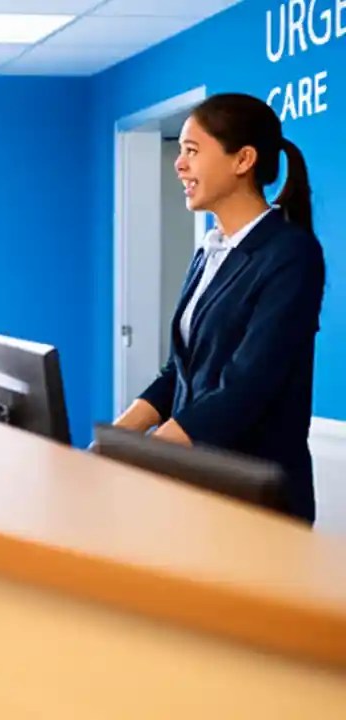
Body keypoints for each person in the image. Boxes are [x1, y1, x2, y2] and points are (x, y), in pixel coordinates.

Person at [112, 93, 326, 524]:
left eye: (192, 151)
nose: (179, 164)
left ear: (242, 160)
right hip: (201, 484)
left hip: (255, 497)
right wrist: (118, 438)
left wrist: (149, 452)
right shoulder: (210, 251)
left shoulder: (290, 254)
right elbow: (181, 370)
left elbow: (246, 386)